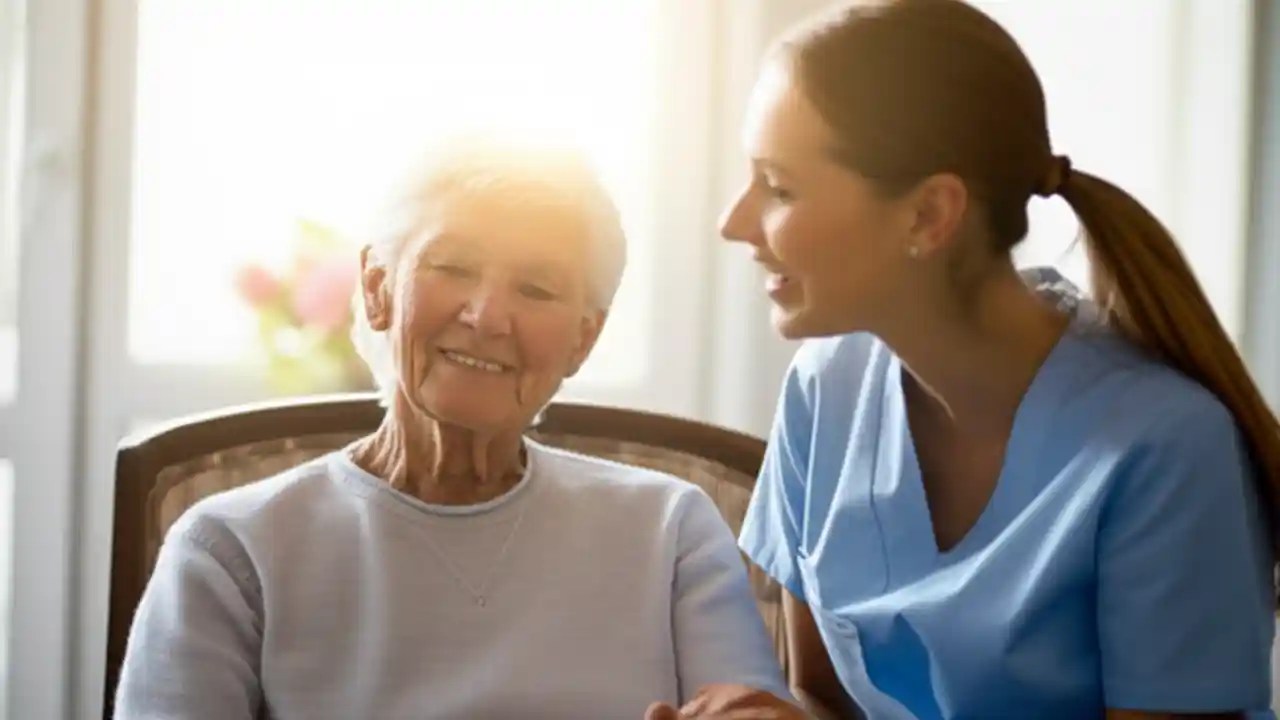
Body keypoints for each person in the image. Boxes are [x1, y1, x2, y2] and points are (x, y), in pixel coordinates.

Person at [654, 0, 1280, 718]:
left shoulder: (1166, 447)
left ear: (928, 215)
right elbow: (824, 698)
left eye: (780, 186)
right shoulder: (825, 389)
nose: (733, 223)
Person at [113, 137, 791, 719]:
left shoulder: (671, 529)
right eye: (453, 267)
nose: (489, 315)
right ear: (378, 288)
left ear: (584, 338)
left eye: (537, 289)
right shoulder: (230, 550)